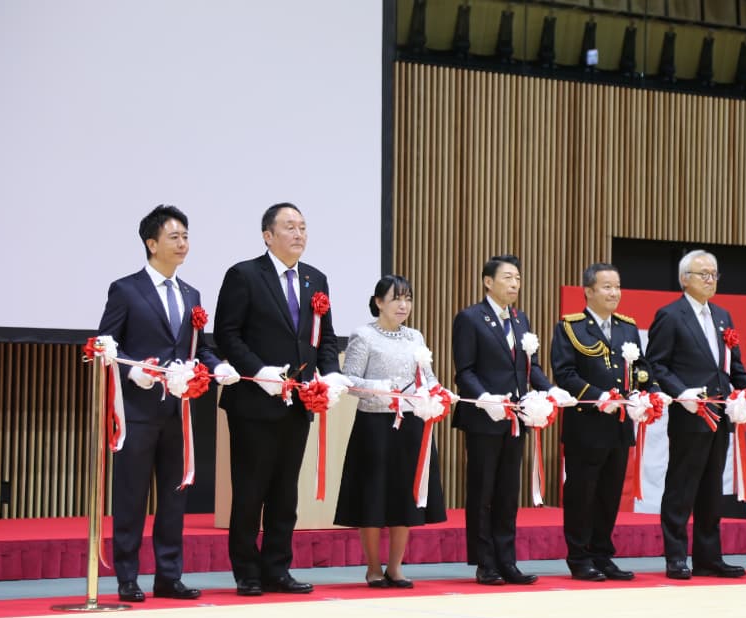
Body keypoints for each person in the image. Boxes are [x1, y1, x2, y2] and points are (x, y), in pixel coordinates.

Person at [98, 204, 240, 602]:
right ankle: (127, 576)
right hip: (138, 413)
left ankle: (168, 575)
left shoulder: (191, 293)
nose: (183, 244)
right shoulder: (125, 289)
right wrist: (131, 371)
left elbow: (199, 348)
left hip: (178, 412)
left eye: (186, 236)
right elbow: (106, 344)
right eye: (174, 237)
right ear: (151, 242)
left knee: (175, 495)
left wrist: (218, 366)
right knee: (131, 495)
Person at [214, 202, 351, 597]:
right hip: (254, 404)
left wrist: (332, 374)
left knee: (285, 492)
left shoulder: (315, 278)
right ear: (267, 235)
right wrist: (260, 373)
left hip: (299, 402)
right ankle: (247, 572)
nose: (298, 234)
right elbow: (228, 334)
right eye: (289, 227)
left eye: (303, 227)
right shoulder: (244, 275)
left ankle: (278, 568)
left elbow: (325, 338)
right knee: (250, 490)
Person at [645, 249, 746, 580]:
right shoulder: (670, 315)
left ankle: (708, 556)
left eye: (714, 274)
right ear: (684, 278)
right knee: (681, 486)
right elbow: (656, 364)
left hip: (721, 415)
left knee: (711, 489)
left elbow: (734, 367)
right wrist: (680, 392)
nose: (710, 280)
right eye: (703, 273)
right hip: (690, 414)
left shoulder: (723, 316)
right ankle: (676, 556)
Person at [452, 254, 574, 586]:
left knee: (508, 491)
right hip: (485, 417)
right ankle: (484, 562)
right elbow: (465, 371)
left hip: (516, 417)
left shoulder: (522, 320)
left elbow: (528, 367)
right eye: (507, 277)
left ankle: (508, 560)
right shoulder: (470, 318)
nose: (514, 284)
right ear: (488, 282)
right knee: (483, 491)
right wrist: (485, 398)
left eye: (518, 278)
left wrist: (551, 390)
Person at [333, 275, 447, 588]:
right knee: (372, 495)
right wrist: (382, 389)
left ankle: (395, 567)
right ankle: (372, 567)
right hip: (375, 425)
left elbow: (428, 376)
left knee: (403, 495)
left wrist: (440, 392)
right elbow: (350, 381)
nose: (403, 305)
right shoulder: (363, 336)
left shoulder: (415, 336)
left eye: (408, 298)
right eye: (396, 298)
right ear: (379, 302)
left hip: (411, 425)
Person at [550, 263, 653, 581]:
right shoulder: (571, 327)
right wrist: (599, 396)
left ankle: (602, 554)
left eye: (617, 286)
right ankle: (579, 557)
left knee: (610, 493)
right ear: (589, 291)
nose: (614, 293)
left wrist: (642, 392)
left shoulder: (627, 327)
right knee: (582, 492)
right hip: (586, 425)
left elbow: (641, 368)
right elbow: (565, 373)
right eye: (606, 286)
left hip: (620, 425)